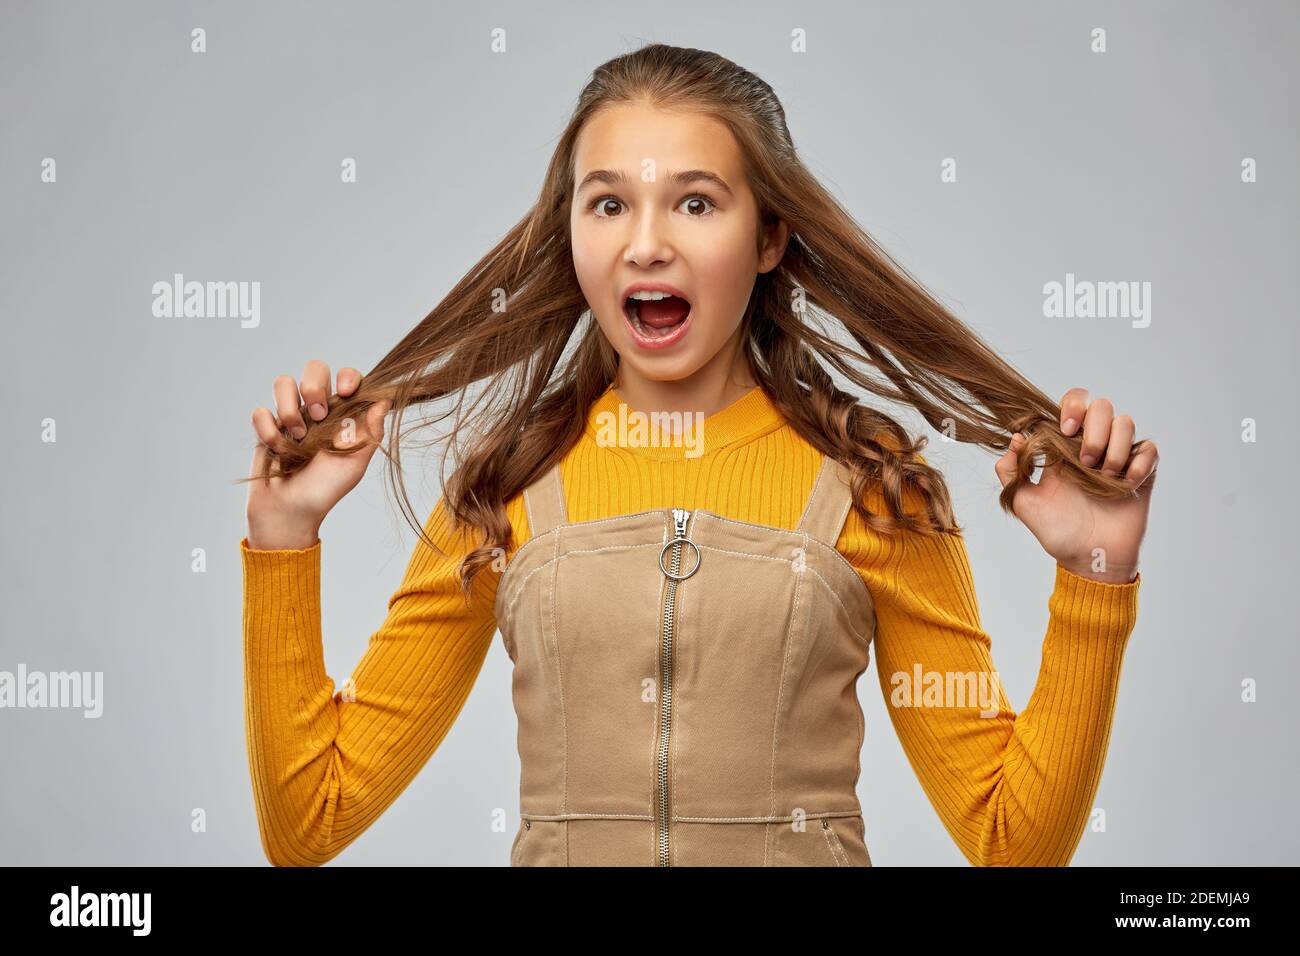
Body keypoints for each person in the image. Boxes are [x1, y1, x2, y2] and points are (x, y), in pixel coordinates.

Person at [238, 43, 1157, 867]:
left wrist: (1094, 574)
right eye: (608, 204)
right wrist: (283, 537)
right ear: (573, 233)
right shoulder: (503, 488)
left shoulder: (873, 486)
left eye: (694, 202)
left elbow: (1012, 844)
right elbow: (310, 819)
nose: (646, 245)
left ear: (768, 238)